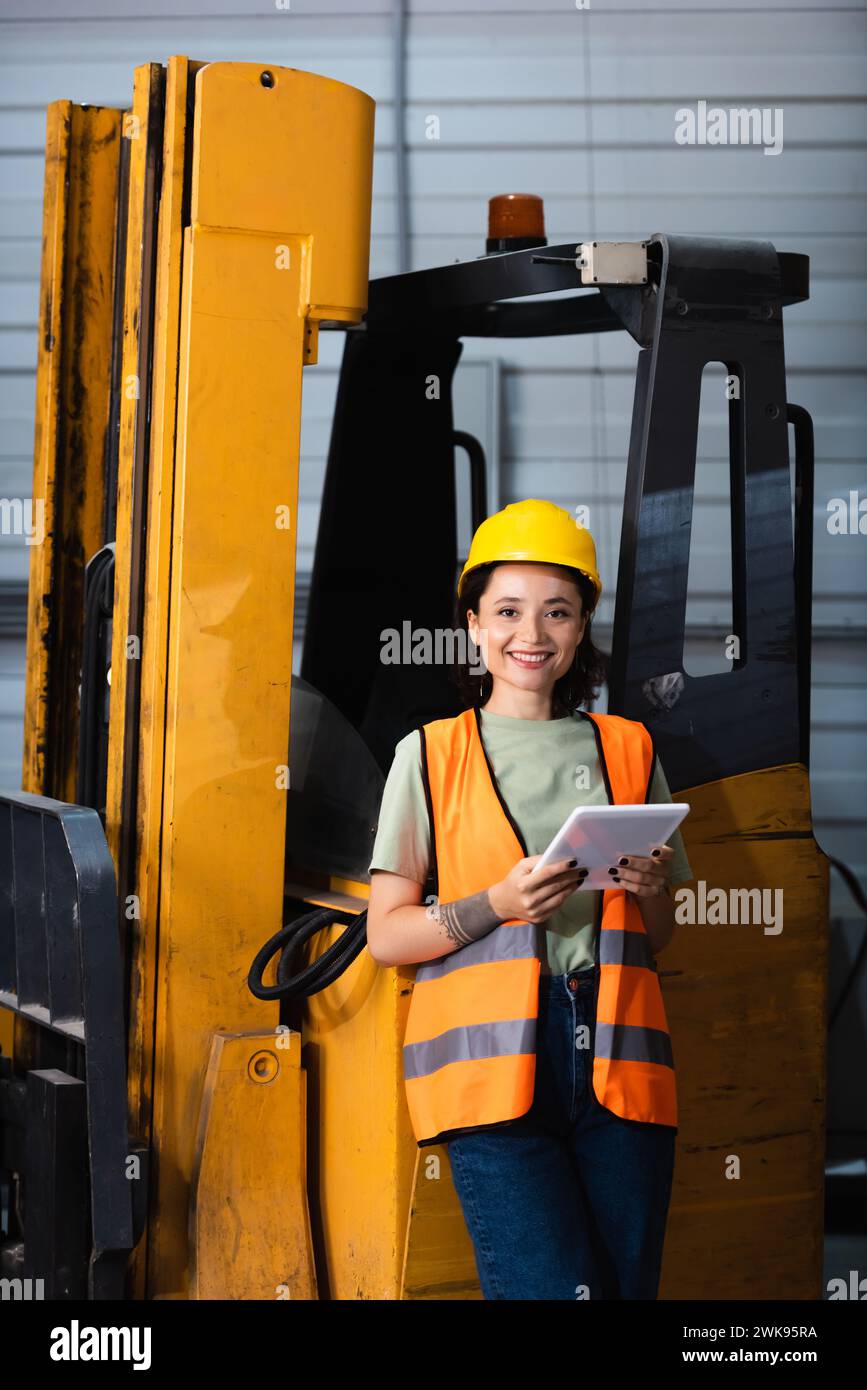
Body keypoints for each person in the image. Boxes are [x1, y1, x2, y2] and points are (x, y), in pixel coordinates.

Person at [365, 499, 693, 1300]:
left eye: (557, 612)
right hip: (493, 1071)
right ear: (473, 624)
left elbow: (662, 933)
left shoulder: (627, 747)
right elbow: (387, 934)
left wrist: (652, 893)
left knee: (622, 1290)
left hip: (620, 1060)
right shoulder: (430, 755)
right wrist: (496, 904)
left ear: (581, 628)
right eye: (507, 611)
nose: (531, 634)